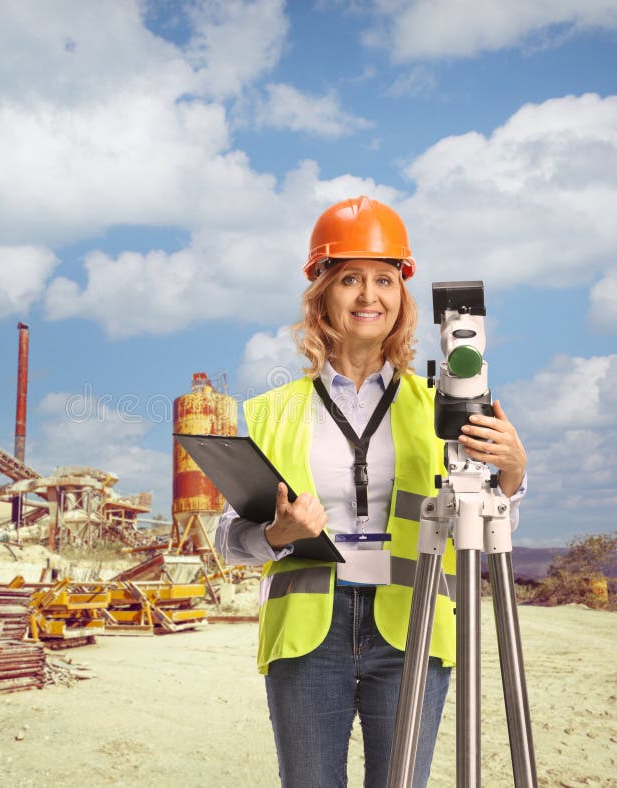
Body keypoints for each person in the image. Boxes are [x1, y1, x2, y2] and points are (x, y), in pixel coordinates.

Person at [215, 196, 527, 788]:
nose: (368, 296)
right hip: (309, 632)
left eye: (384, 279)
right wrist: (276, 535)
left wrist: (511, 473)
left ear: (402, 297)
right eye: (350, 278)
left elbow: (489, 532)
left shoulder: (445, 407)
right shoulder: (270, 412)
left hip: (412, 625)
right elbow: (225, 541)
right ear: (322, 293)